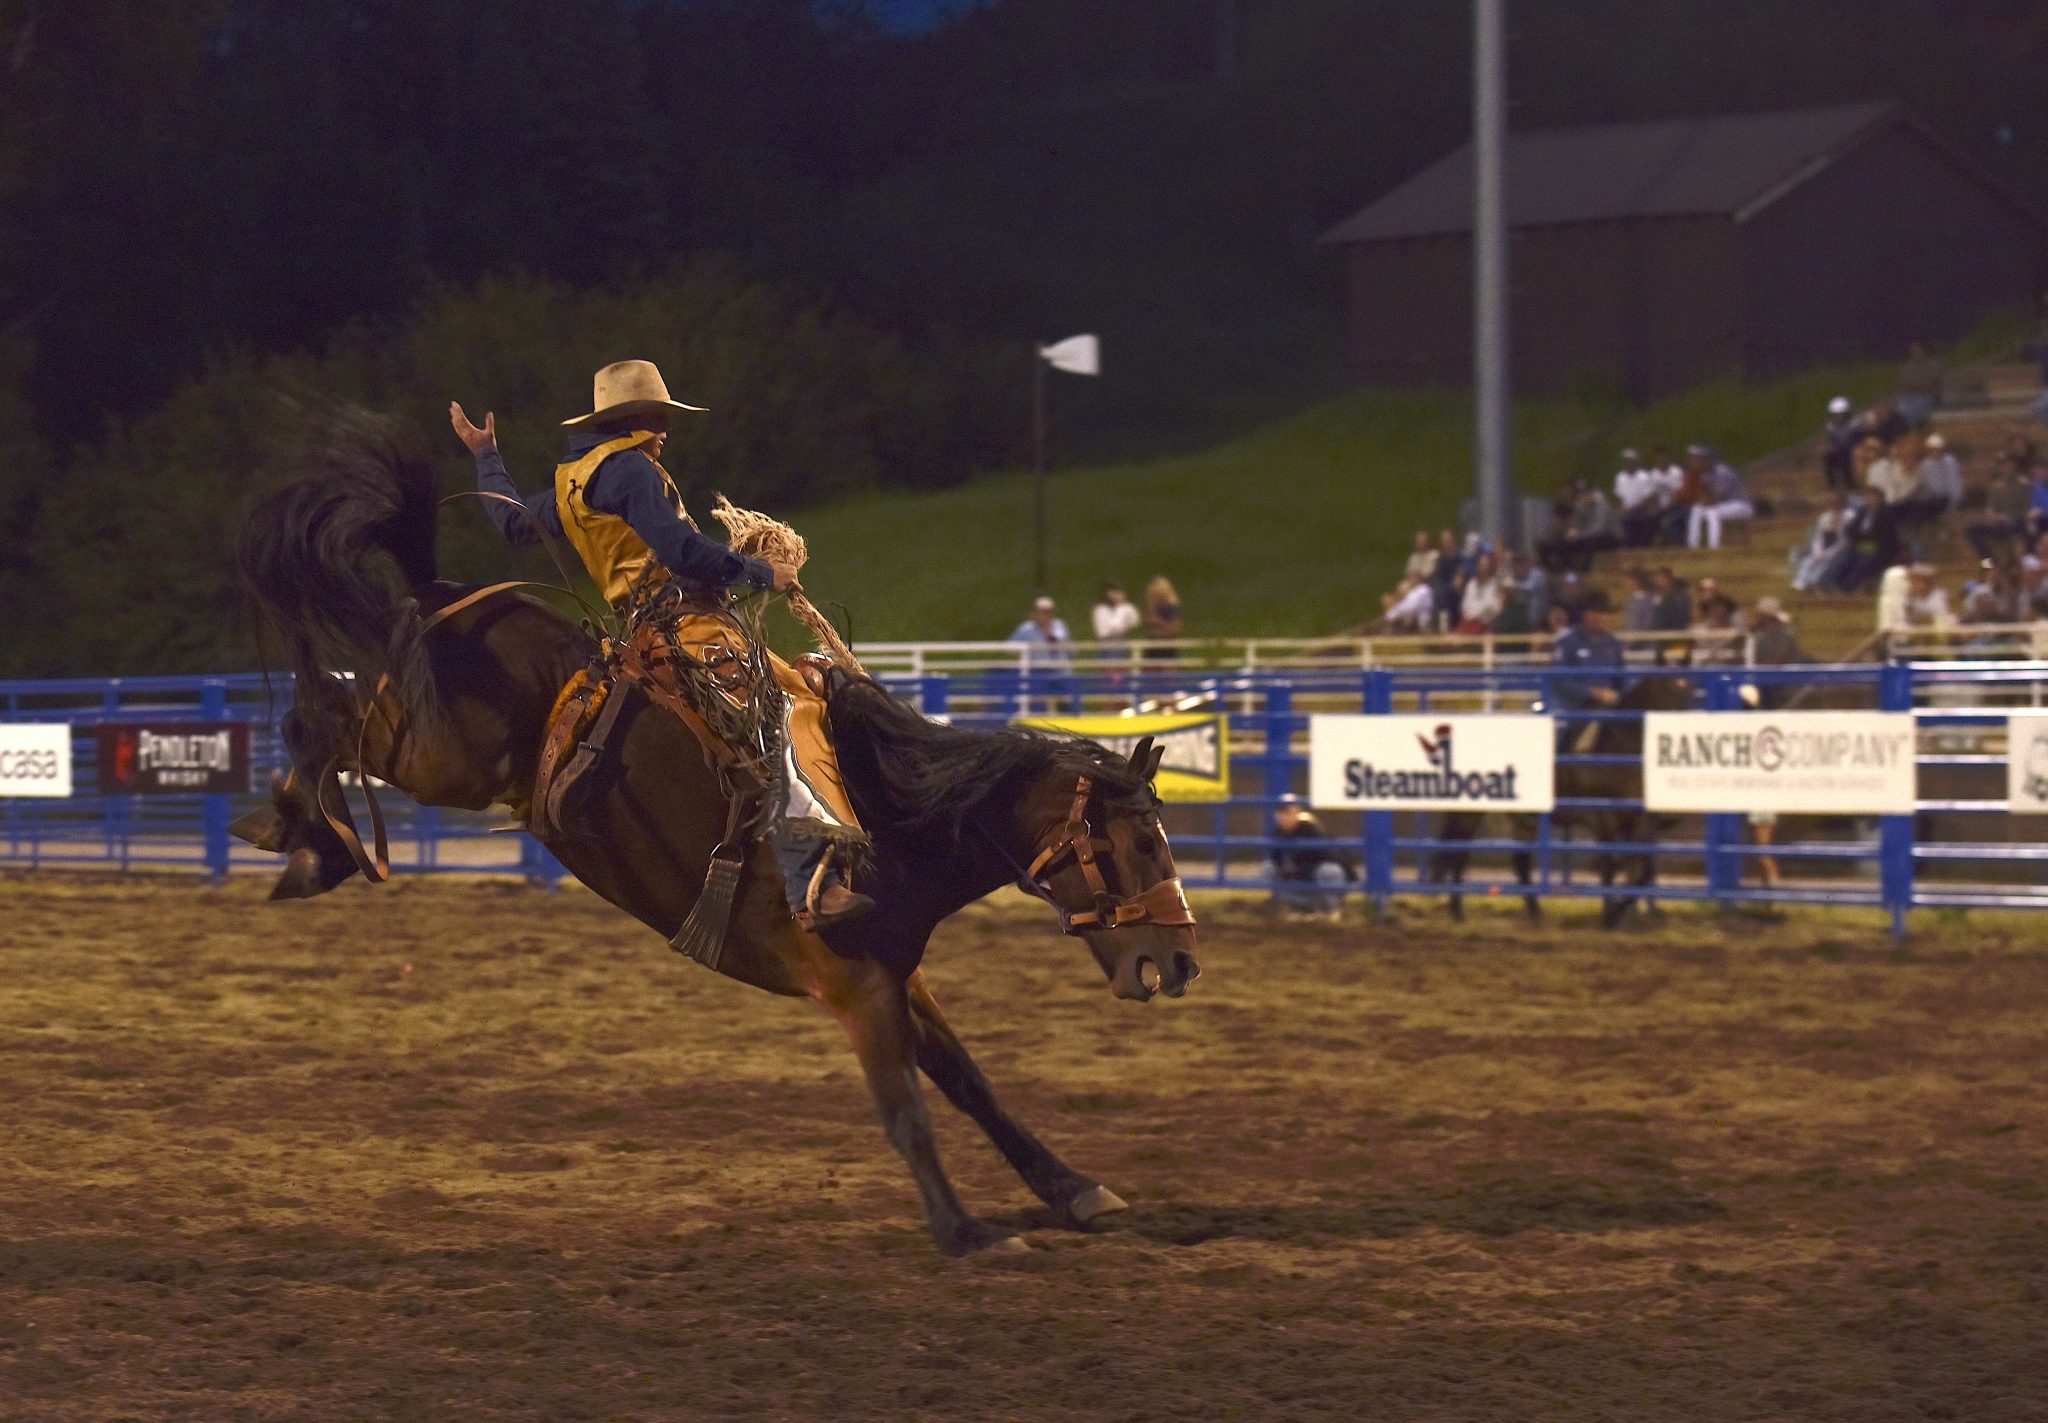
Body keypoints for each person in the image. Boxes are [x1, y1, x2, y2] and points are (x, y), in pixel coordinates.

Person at [450, 360, 874, 931]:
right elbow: (681, 551)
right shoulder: (629, 469)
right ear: (632, 421)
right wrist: (759, 572)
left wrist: (486, 456)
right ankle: (809, 885)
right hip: (686, 626)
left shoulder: (574, 481)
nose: (666, 429)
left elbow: (513, 525)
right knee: (780, 715)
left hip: (640, 632)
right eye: (658, 416)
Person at [1550, 589, 1625, 749]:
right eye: (1597, 612)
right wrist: (1592, 692)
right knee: (1560, 731)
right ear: (1586, 615)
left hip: (1606, 704)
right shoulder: (1569, 642)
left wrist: (1615, 694)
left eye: (1605, 613)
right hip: (1573, 705)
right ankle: (1562, 758)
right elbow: (1560, 679)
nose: (1602, 618)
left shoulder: (1613, 644)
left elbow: (1621, 678)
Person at [1267, 795, 1355, 920]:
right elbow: (1276, 861)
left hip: (1317, 880)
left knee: (1329, 870)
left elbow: (1331, 858)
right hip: (1300, 881)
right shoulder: (1278, 833)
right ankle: (1302, 909)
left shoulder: (1311, 830)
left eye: (1290, 812)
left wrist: (1298, 870)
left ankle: (1330, 911)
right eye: (1282, 813)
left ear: (1297, 813)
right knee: (1269, 869)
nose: (1285, 817)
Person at [1687, 455, 1753, 551]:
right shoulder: (1705, 474)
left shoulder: (1723, 472)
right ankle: (1693, 547)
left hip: (1741, 505)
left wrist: (1706, 502)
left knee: (1713, 512)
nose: (1698, 462)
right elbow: (1703, 496)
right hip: (1725, 505)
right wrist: (1703, 502)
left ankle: (1714, 548)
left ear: (1710, 460)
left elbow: (1719, 497)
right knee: (1696, 509)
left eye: (1701, 460)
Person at [1790, 492, 1849, 592]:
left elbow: (1843, 541)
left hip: (1839, 549)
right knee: (1810, 560)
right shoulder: (1825, 517)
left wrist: (1828, 553)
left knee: (1825, 564)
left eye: (1836, 503)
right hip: (1823, 547)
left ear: (1842, 503)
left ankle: (1813, 582)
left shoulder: (1849, 517)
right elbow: (1819, 537)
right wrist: (1818, 550)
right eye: (1832, 503)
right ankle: (1800, 581)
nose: (1834, 505)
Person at [1897, 340, 1944, 427]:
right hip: (1911, 397)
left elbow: (1930, 385)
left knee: (1913, 410)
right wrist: (1916, 387)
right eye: (1913, 350)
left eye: (1917, 349)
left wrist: (1914, 387)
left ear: (1924, 350)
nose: (1915, 352)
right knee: (1902, 407)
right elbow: (1904, 385)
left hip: (1929, 398)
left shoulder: (1934, 363)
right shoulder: (1909, 365)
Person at [1821, 395, 1860, 494]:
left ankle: (1850, 482)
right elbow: (1833, 440)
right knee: (1828, 458)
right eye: (1836, 415)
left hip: (1850, 449)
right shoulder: (1831, 426)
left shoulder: (1854, 424)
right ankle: (1832, 484)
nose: (1838, 417)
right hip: (1838, 450)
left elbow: (1855, 440)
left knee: (1844, 456)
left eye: (1840, 414)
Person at [1144, 575, 1183, 659]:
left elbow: (1176, 629)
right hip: (1153, 647)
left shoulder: (1170, 608)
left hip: (1166, 648)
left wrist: (1159, 622)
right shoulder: (1154, 608)